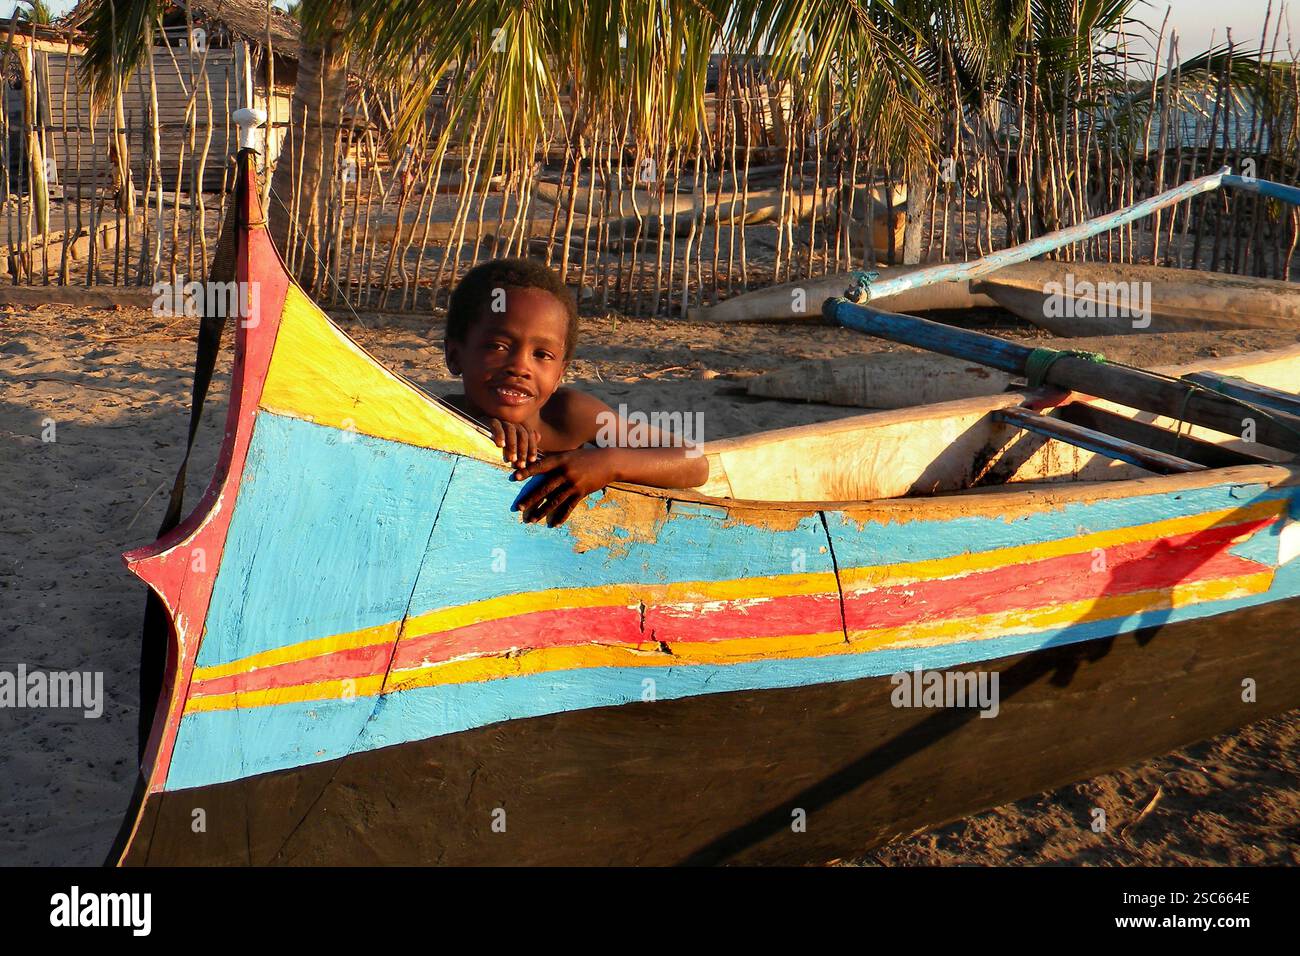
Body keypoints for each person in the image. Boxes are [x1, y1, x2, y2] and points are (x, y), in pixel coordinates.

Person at [442, 258, 708, 526]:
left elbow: (694, 461)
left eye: (542, 354)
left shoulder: (569, 417)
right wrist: (475, 432)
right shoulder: (440, 416)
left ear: (560, 374)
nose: (520, 367)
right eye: (498, 346)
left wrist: (608, 462)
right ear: (454, 355)